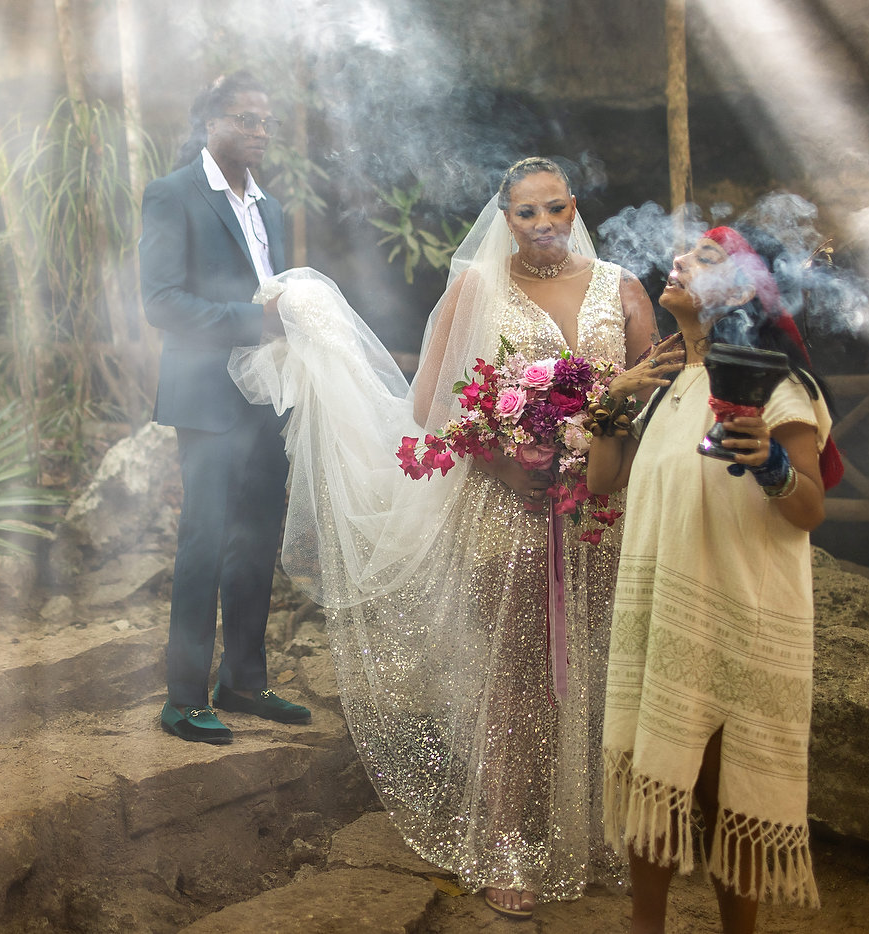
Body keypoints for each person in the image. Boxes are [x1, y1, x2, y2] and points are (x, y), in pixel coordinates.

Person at [229, 157, 657, 918]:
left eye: (554, 207)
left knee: (600, 673)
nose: (544, 224)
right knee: (518, 682)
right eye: (526, 213)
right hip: (507, 513)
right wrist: (500, 463)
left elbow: (656, 393)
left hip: (602, 512)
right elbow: (431, 406)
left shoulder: (620, 286)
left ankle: (588, 832)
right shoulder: (476, 288)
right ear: (505, 219)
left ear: (573, 205)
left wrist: (601, 450)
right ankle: (504, 845)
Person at [586, 226, 842, 934]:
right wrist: (613, 399)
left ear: (740, 290)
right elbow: (604, 480)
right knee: (653, 770)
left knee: (732, 793)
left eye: (703, 257)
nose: (675, 261)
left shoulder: (775, 385)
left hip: (741, 609)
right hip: (665, 609)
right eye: (678, 251)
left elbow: (809, 511)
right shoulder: (665, 387)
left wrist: (769, 462)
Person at [139, 70, 311, 745]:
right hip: (207, 398)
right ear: (209, 121)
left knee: (256, 541)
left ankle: (241, 680)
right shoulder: (173, 194)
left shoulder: (270, 207)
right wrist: (250, 321)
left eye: (265, 120)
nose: (259, 131)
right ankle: (182, 699)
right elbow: (160, 302)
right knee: (205, 543)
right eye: (244, 119)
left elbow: (277, 298)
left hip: (265, 396)